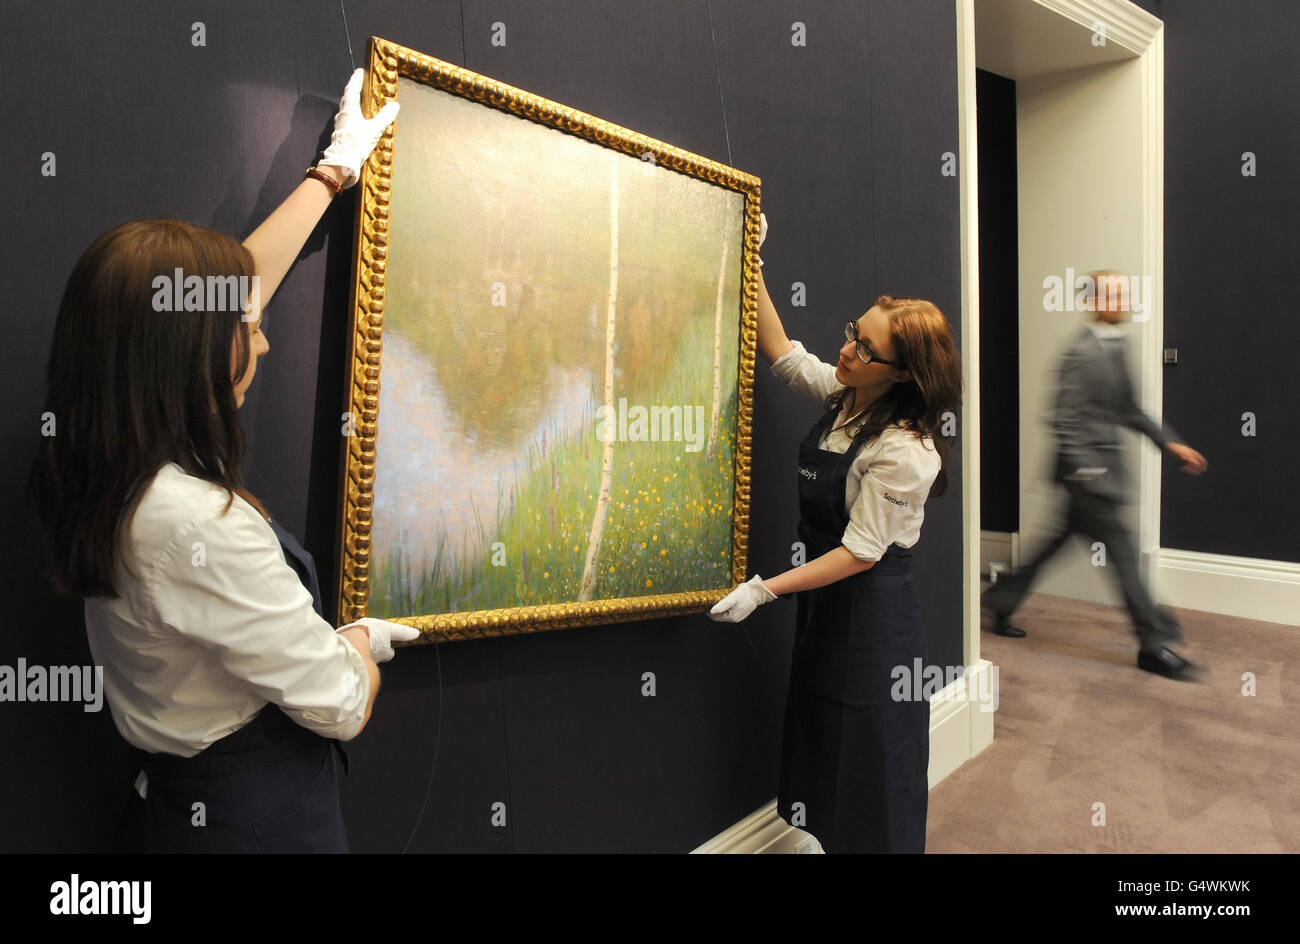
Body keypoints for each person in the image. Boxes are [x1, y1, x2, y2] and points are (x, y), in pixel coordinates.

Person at [27, 71, 420, 852]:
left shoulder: (102, 463)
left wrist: (333, 172)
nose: (263, 337)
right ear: (186, 352)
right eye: (247, 324)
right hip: (263, 821)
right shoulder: (196, 523)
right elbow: (341, 704)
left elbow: (228, 289)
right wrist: (360, 646)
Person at [710, 214, 962, 853]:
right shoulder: (847, 399)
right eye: (855, 332)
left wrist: (764, 591)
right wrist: (754, 259)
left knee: (874, 758)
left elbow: (858, 553)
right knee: (823, 735)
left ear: (902, 374)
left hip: (874, 619)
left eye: (867, 349)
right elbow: (785, 354)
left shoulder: (907, 450)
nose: (848, 349)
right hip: (827, 610)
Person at [982, 270, 1208, 681]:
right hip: (1089, 477)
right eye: (1115, 294)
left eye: (1124, 293)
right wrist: (1087, 470)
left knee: (1054, 543)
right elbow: (1062, 417)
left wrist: (1168, 442)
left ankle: (1001, 598)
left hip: (1094, 477)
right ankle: (1153, 644)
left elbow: (1129, 409)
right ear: (1096, 301)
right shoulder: (1081, 353)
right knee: (1125, 557)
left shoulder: (1118, 347)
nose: (1123, 300)